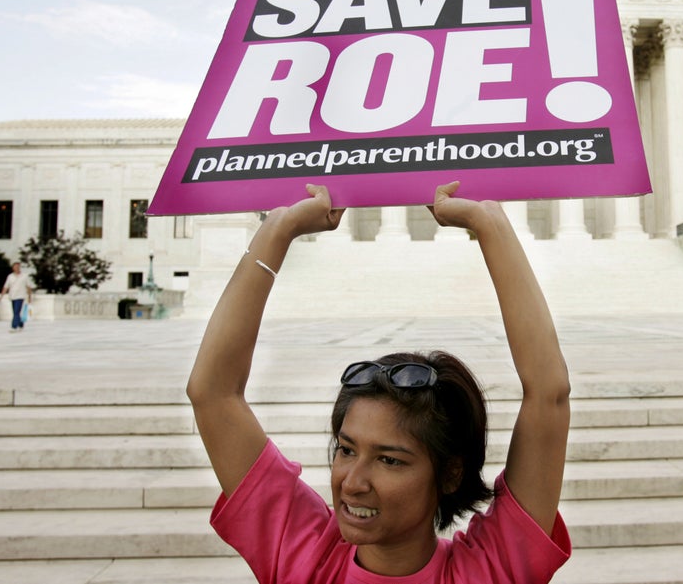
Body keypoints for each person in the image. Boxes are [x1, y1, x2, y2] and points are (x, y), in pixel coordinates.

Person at [187, 182, 572, 583]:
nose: (352, 483)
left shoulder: (487, 571)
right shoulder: (304, 557)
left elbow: (549, 395)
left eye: (390, 460)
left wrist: (489, 223)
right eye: (347, 449)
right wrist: (277, 229)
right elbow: (212, 395)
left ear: (451, 473)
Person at [0, 261, 33, 332]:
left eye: (18, 267)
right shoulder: (10, 276)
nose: (16, 268)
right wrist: (1, 296)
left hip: (21, 296)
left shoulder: (24, 276)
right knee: (15, 312)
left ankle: (14, 326)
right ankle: (21, 324)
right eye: (15, 267)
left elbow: (29, 287)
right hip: (12, 296)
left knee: (17, 311)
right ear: (13, 268)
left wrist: (29, 297)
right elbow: (6, 287)